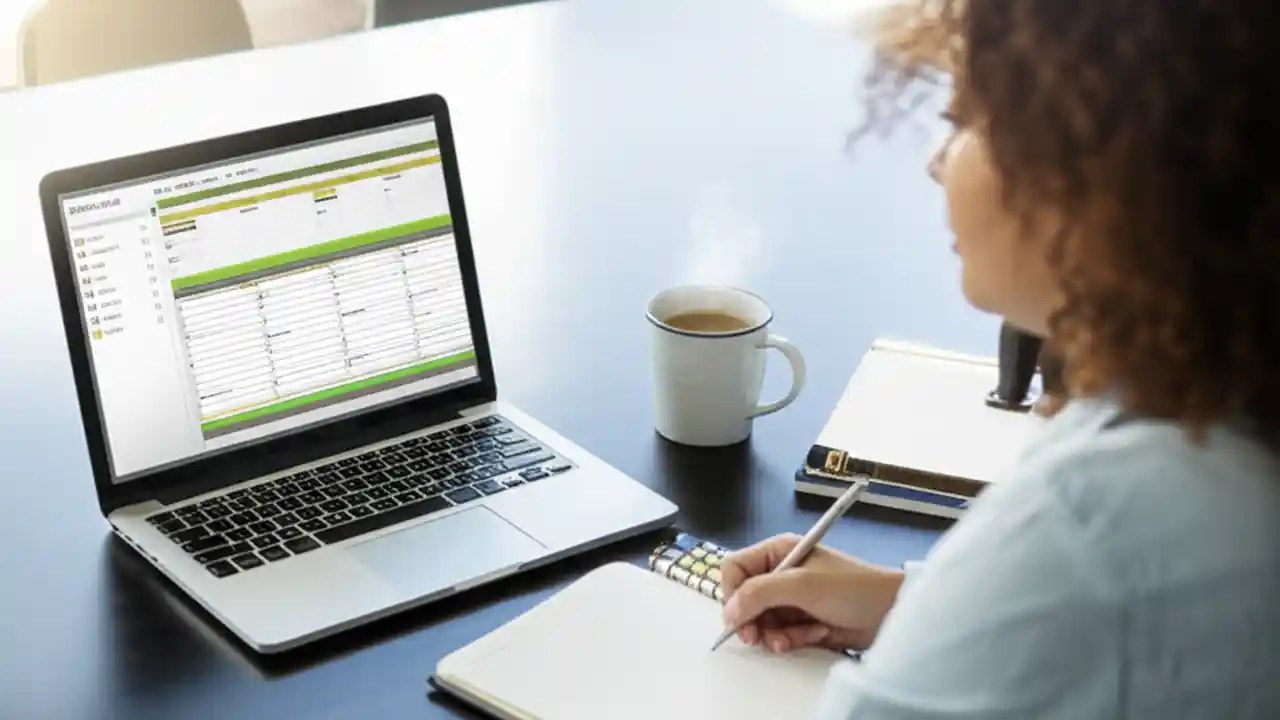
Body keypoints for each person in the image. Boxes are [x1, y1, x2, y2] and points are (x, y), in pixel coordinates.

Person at [720, 1, 1280, 717]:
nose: (934, 162)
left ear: (1092, 169)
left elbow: (1099, 572)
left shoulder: (1090, 516)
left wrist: (981, 602)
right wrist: (920, 604)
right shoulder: (1224, 409)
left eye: (961, 123)